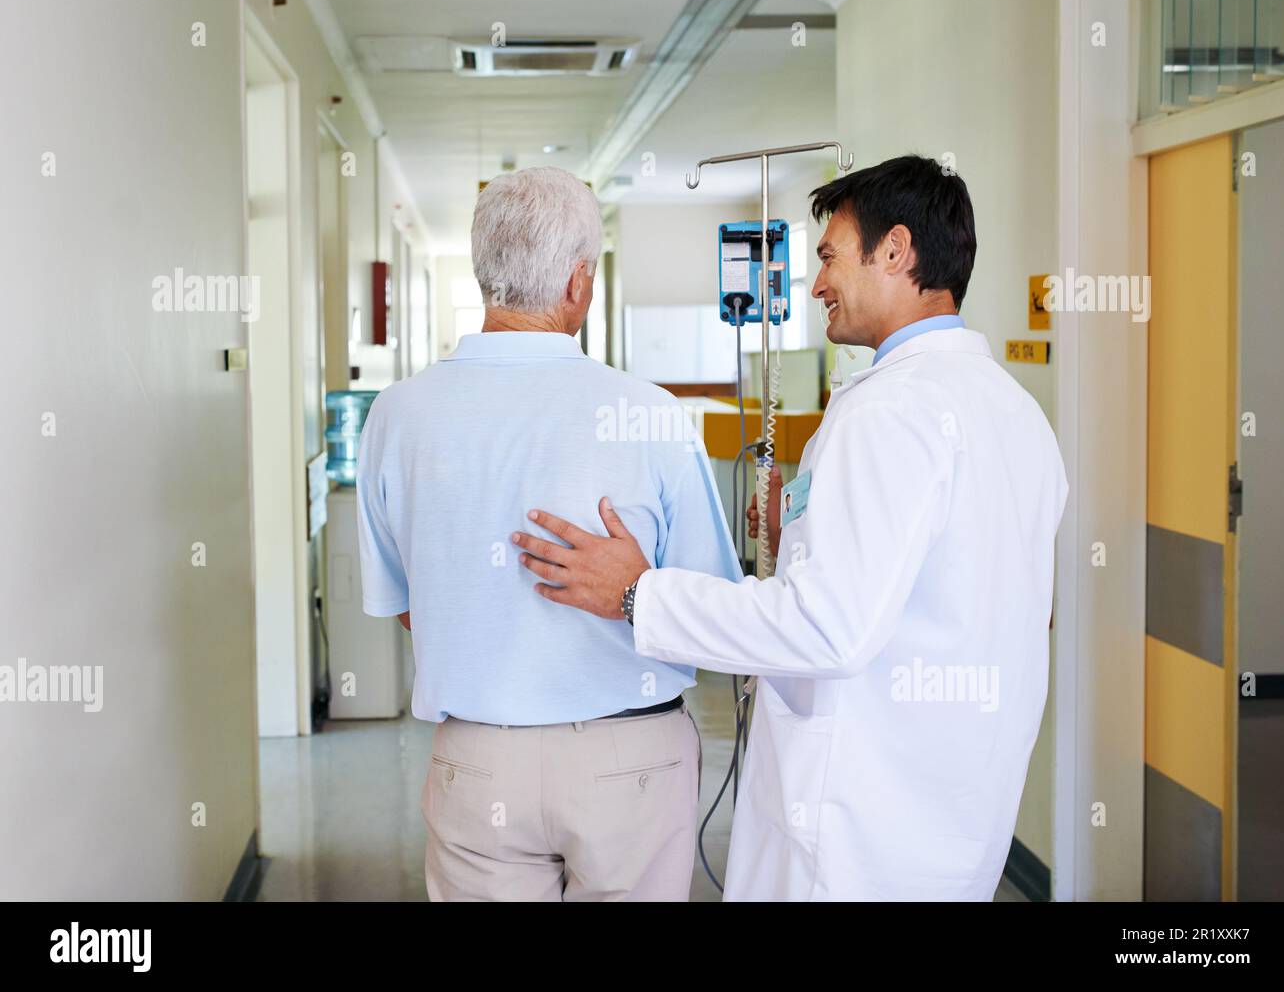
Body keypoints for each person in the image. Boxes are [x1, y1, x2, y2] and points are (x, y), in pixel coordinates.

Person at [512, 155, 1068, 901]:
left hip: (855, 831)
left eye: (829, 257)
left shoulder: (889, 411)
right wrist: (802, 529)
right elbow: (993, 595)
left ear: (895, 250)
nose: (815, 285)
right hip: (954, 813)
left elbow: (826, 627)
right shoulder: (1016, 413)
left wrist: (638, 594)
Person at [356, 166, 740, 901]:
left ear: (484, 275)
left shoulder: (396, 415)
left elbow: (409, 605)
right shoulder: (651, 414)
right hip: (631, 760)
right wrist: (634, 591)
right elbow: (710, 611)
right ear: (578, 282)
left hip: (478, 760)